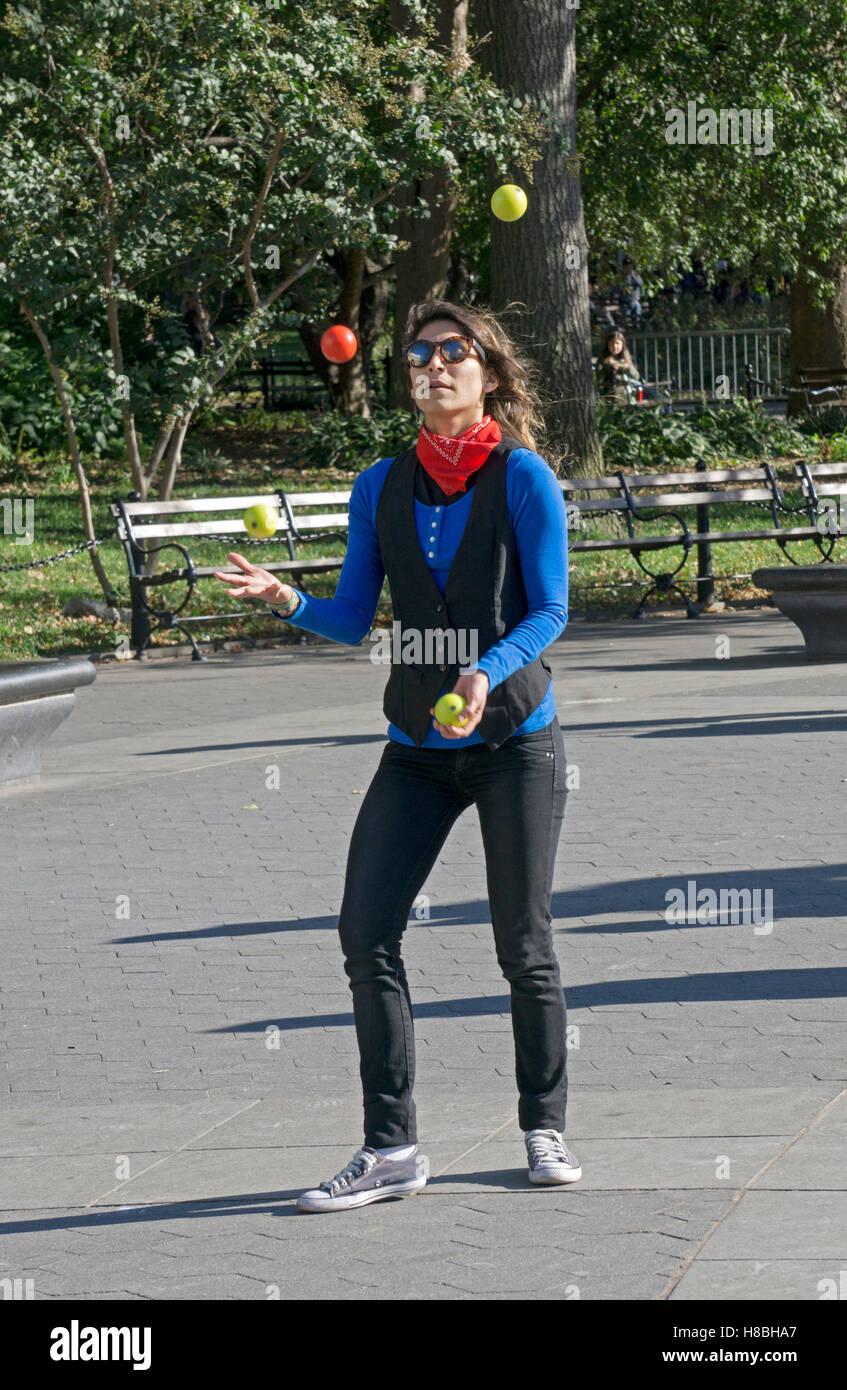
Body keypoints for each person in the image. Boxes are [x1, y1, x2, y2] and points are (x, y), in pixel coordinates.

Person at [213, 298, 581, 1213]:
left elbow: (549, 610)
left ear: (487, 373)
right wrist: (282, 598)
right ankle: (390, 1150)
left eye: (453, 353)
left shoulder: (523, 477)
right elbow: (351, 615)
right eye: (418, 356)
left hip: (512, 744)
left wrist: (484, 674)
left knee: (521, 945)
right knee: (364, 931)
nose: (433, 367)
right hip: (415, 749)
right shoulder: (378, 484)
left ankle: (543, 1125)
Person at [596, 328, 642, 401]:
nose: (614, 346)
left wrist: (627, 368)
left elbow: (636, 376)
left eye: (617, 343)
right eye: (612, 343)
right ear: (607, 345)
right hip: (609, 393)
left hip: (628, 392)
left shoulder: (626, 358)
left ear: (622, 344)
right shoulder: (603, 360)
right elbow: (599, 379)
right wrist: (608, 367)